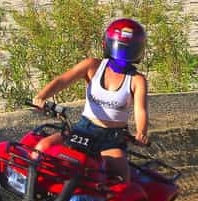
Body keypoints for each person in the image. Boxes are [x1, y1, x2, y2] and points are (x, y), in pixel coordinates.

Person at [31, 18, 149, 182]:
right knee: (43, 147)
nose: (123, 54)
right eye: (120, 47)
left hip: (112, 138)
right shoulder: (92, 65)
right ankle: (31, 188)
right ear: (108, 44)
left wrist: (141, 132)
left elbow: (140, 110)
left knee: (122, 176)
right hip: (85, 129)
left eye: (129, 49)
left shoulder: (137, 80)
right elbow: (62, 81)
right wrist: (41, 97)